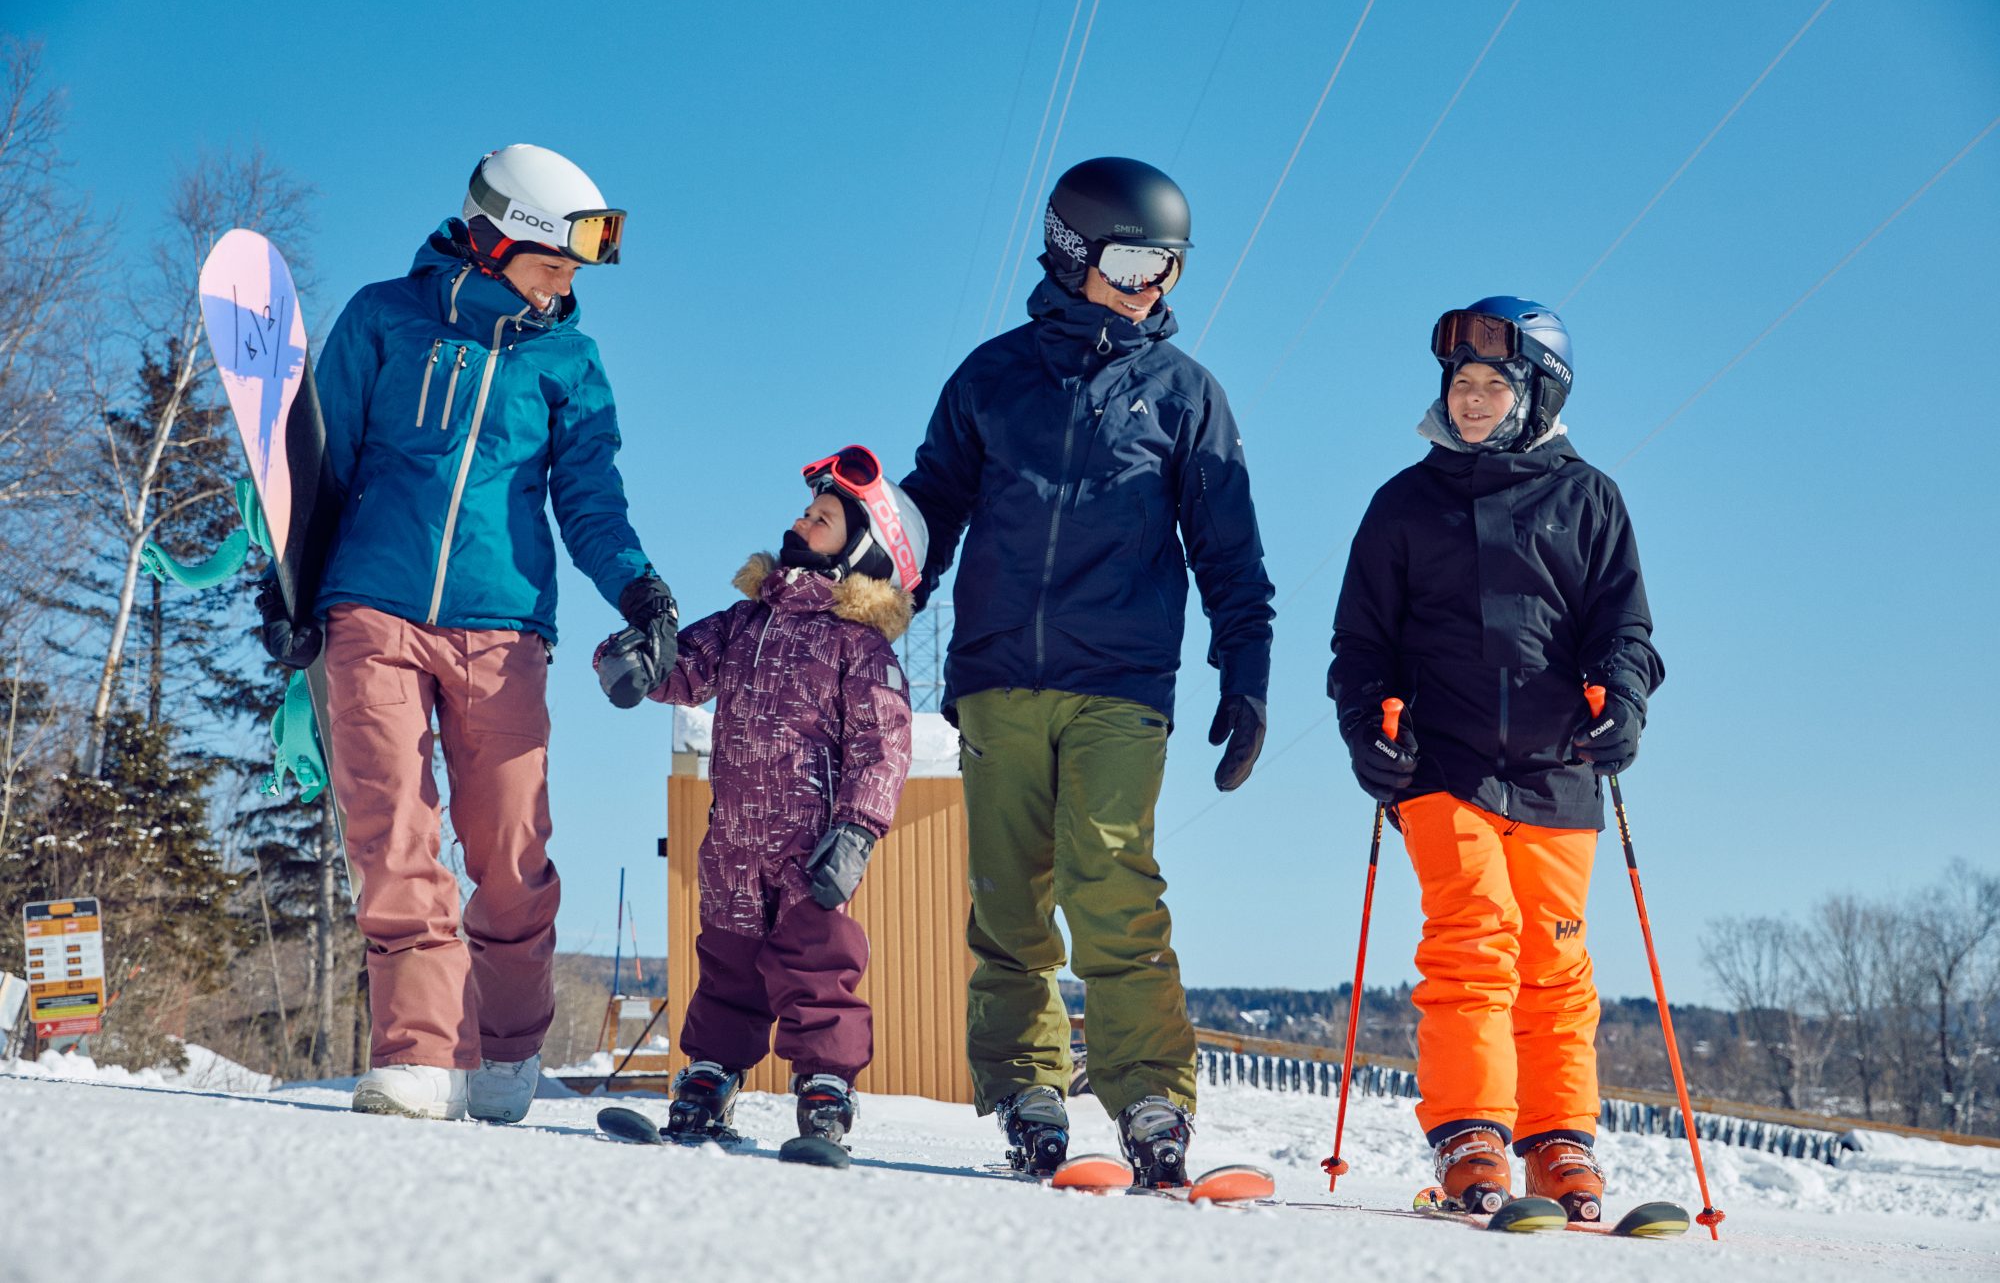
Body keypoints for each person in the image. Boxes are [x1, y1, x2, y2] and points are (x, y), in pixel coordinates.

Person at [255, 144, 680, 1123]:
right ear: (498, 238)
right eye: (555, 258)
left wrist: (639, 589)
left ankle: (504, 1046)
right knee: (392, 828)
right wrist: (290, 592)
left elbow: (589, 500)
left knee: (509, 853)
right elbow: (319, 466)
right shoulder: (382, 319)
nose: (567, 281)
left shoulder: (569, 360)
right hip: (370, 607)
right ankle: (421, 1050)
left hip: (502, 627)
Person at [901, 156, 1275, 1185]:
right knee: (1009, 900)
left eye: (1168, 263)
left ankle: (1148, 1092)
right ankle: (1026, 1085)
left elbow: (1229, 552)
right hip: (996, 678)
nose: (1152, 281)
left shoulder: (1185, 396)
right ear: (1071, 251)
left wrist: (1245, 671)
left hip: (1121, 681)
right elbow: (928, 515)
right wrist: (873, 615)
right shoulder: (989, 377)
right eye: (1131, 257)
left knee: (1111, 879)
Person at [1326, 297, 1663, 1221]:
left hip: (1560, 765)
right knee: (1474, 937)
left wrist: (1623, 700)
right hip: (1445, 760)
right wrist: (1367, 724)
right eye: (1461, 384)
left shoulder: (1590, 498)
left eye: (1492, 385)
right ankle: (1472, 1132)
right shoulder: (1405, 503)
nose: (1472, 402)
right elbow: (1361, 640)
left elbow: (1624, 628)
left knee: (1555, 959)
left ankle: (1560, 1141)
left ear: (1540, 390)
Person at [616, 447, 918, 1147]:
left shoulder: (858, 644)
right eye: (806, 510)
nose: (802, 520)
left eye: (822, 518)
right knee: (726, 966)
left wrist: (858, 829)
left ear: (862, 551)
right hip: (732, 842)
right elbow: (687, 666)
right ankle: (710, 1075)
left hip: (808, 847)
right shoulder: (744, 620)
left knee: (816, 968)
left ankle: (825, 1086)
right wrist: (637, 659)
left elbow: (884, 743)